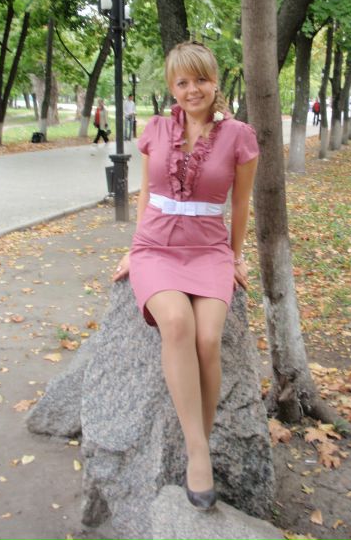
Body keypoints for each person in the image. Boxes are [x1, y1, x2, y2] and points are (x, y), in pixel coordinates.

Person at [113, 41, 259, 511]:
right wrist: (133, 248)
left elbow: (240, 204)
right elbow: (145, 193)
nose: (192, 89)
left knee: (208, 338)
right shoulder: (156, 129)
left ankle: (200, 438)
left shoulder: (239, 136)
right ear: (172, 88)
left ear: (215, 82)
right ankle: (199, 453)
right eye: (182, 82)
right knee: (176, 323)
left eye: (200, 79)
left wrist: (235, 257)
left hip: (209, 250)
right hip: (156, 247)